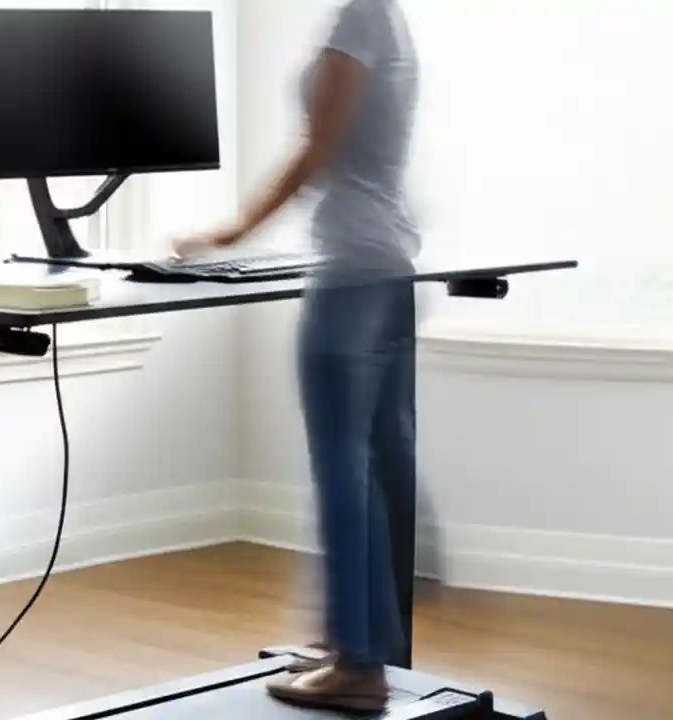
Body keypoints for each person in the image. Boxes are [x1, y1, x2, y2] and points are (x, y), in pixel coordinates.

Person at [175, 0, 420, 713]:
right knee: (374, 464)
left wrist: (232, 231)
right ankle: (361, 644)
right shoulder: (385, 17)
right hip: (389, 260)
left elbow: (319, 146)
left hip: (349, 265)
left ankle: (357, 665)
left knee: (342, 468)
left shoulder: (360, 19)